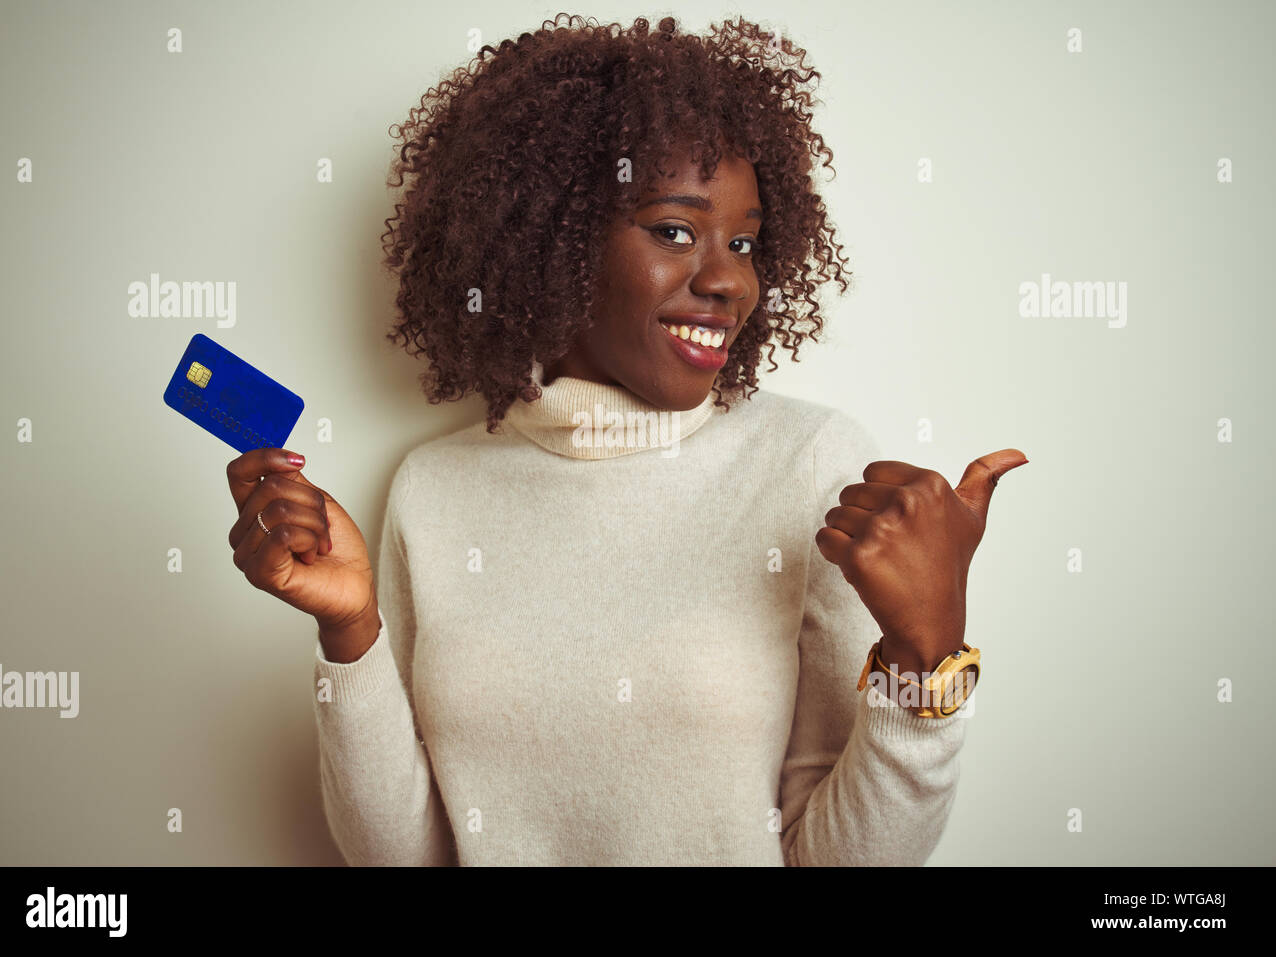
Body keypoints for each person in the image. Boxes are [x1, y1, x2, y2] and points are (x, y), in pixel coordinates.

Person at [225, 14, 1026, 866]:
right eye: (675, 230)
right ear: (550, 243)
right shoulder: (435, 488)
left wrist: (925, 654)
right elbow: (407, 857)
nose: (728, 279)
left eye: (744, 242)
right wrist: (351, 634)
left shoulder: (810, 466)